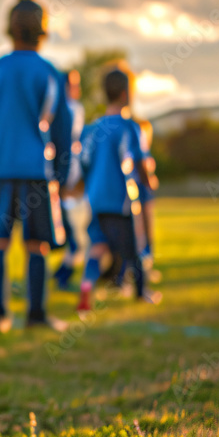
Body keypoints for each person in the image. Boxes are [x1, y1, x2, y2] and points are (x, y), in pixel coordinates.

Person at [0, 0, 72, 333]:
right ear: (43, 30)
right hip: (36, 170)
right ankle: (36, 314)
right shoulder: (49, 72)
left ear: (9, 29)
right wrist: (61, 172)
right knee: (36, 243)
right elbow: (62, 128)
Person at [77, 67, 162, 312]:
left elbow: (83, 163)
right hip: (121, 197)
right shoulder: (130, 127)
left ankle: (86, 287)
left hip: (95, 198)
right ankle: (142, 292)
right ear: (127, 93)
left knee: (98, 245)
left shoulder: (92, 130)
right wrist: (149, 181)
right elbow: (139, 163)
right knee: (135, 246)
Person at [53, 69, 86, 290]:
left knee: (70, 236)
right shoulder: (65, 109)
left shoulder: (76, 108)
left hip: (69, 178)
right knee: (68, 237)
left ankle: (59, 275)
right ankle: (60, 276)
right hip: (60, 180)